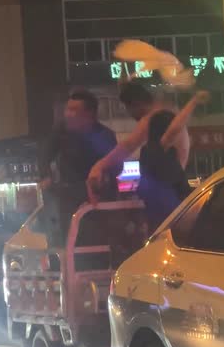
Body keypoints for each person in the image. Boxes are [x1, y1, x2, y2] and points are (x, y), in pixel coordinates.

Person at [87, 83, 210, 230]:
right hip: (172, 199)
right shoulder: (160, 140)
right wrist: (193, 102)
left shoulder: (154, 122)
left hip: (167, 203)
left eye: (128, 109)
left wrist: (100, 166)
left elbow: (128, 146)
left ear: (135, 105)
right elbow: (172, 130)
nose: (130, 115)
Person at [39, 90, 119, 244]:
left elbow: (116, 168)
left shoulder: (105, 136)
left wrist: (101, 187)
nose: (68, 114)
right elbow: (44, 155)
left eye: (74, 110)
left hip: (96, 199)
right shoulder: (62, 133)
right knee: (69, 241)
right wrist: (46, 176)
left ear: (90, 113)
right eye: (67, 109)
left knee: (95, 241)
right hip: (68, 197)